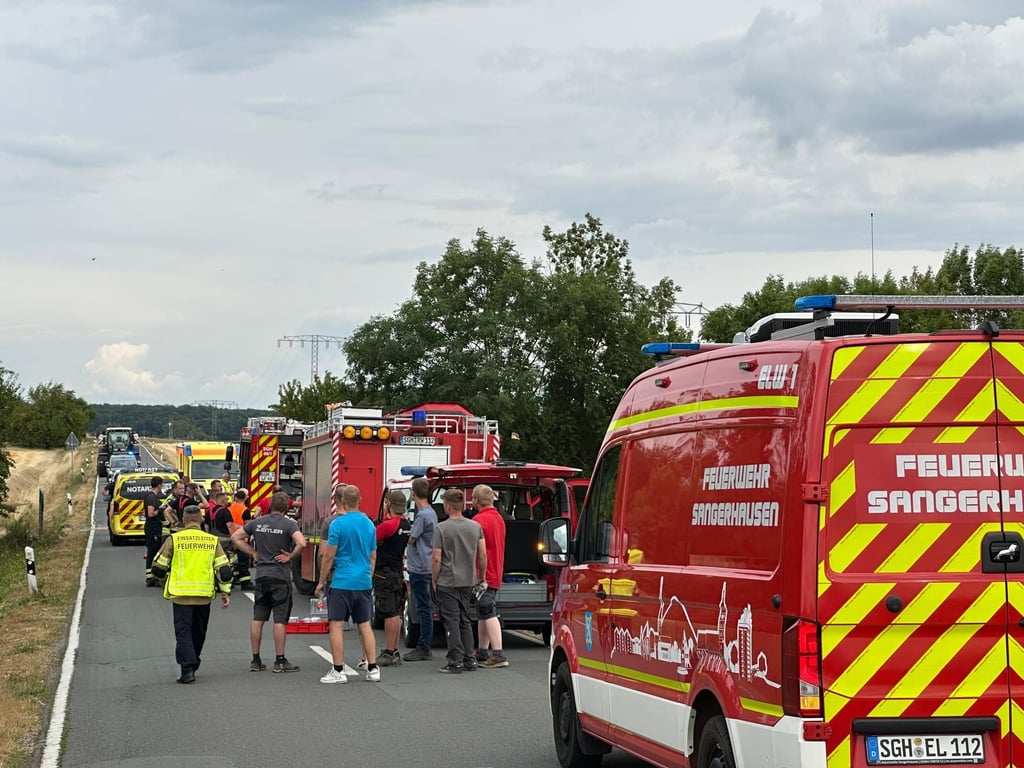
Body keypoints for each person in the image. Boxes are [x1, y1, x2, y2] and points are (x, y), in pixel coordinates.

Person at [150, 505, 233, 684]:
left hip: (180, 595)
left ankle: (187, 669)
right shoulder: (212, 541)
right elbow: (224, 570)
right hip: (203, 595)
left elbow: (158, 568)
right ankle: (193, 661)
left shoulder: (174, 539)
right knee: (198, 632)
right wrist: (225, 592)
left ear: (184, 520)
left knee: (183, 632)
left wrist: (164, 581)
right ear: (201, 519)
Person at [230, 491, 306, 673]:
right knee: (279, 620)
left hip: (262, 576)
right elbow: (302, 543)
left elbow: (235, 537)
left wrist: (253, 553)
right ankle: (280, 660)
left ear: (270, 506)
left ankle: (255, 660)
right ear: (286, 508)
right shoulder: (289, 524)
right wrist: (290, 556)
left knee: (258, 618)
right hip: (280, 577)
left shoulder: (258, 522)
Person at [316, 484, 380, 684]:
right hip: (363, 580)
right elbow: (373, 555)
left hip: (342, 580)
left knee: (336, 624)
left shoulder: (337, 524)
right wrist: (369, 576)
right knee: (364, 624)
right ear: (360, 500)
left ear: (342, 501)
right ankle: (372, 667)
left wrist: (321, 580)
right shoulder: (369, 524)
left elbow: (328, 556)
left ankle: (338, 670)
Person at [432, 488, 487, 673]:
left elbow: (437, 558)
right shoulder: (475, 527)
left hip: (448, 580)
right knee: (465, 619)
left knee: (451, 621)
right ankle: (469, 658)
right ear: (462, 505)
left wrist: (434, 578)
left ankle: (455, 660)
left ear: (447, 505)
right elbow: (482, 555)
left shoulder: (441, 528)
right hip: (468, 580)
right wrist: (481, 576)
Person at [472, 485, 509, 668]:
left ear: (476, 500)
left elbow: (477, 550)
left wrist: (478, 575)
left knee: (487, 610)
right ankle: (482, 651)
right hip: (496, 570)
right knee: (483, 612)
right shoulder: (499, 519)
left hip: (484, 573)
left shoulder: (478, 520)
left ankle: (498, 653)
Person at [374, 490, 411, 666]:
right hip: (397, 571)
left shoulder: (388, 526)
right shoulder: (407, 524)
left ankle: (389, 652)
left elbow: (370, 542)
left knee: (388, 613)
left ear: (389, 504)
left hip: (384, 573)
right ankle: (394, 650)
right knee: (396, 613)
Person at [402, 477, 437, 662]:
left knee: (422, 608)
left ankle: (424, 646)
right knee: (425, 607)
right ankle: (424, 645)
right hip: (427, 563)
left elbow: (411, 539)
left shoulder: (422, 516)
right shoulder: (431, 512)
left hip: (420, 566)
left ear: (414, 494)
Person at [143, 476, 167, 587]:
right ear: (159, 485)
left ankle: (150, 577)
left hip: (151, 528)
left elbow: (144, 513)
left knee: (151, 552)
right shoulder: (152, 497)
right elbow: (150, 513)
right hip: (153, 529)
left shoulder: (149, 496)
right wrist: (161, 510)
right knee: (155, 552)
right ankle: (153, 577)